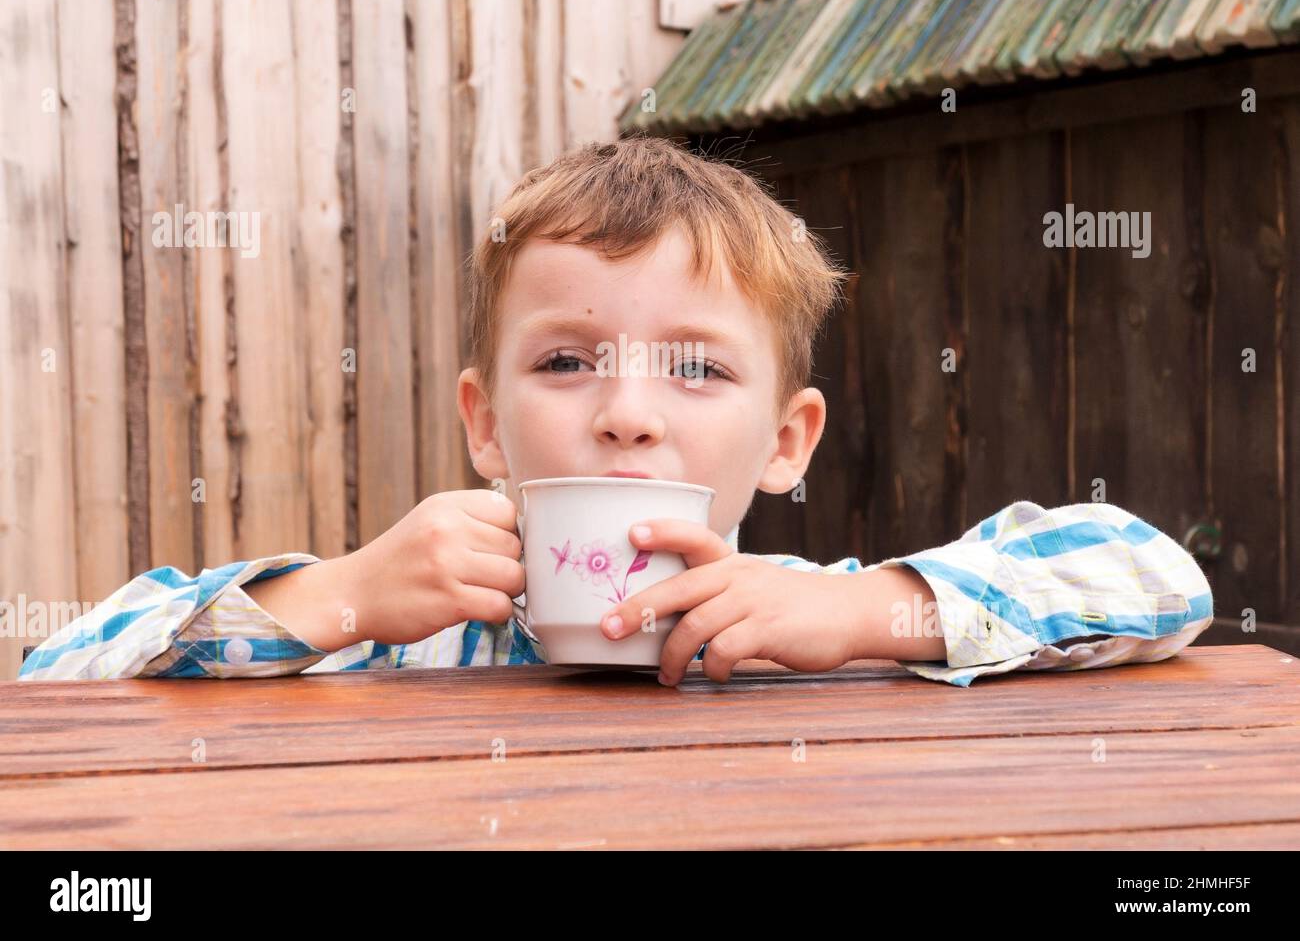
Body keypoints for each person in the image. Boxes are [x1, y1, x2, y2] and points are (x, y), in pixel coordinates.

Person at [19, 136, 1213, 687]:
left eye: (696, 370)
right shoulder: (398, 639)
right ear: (483, 427)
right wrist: (332, 595)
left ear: (787, 441)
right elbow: (51, 678)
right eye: (568, 362)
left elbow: (1159, 580)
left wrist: (871, 611)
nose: (629, 414)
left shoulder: (823, 631)